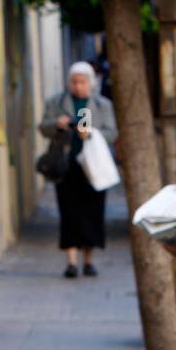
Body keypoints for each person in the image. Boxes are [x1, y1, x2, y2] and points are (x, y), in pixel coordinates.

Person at [38, 62, 118, 278]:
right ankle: (71, 261)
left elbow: (112, 133)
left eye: (82, 82)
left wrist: (90, 133)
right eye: (74, 82)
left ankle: (89, 260)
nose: (78, 86)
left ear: (90, 83)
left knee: (92, 213)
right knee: (69, 212)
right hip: (67, 165)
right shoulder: (57, 102)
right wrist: (58, 123)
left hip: (93, 167)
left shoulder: (102, 105)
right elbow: (43, 127)